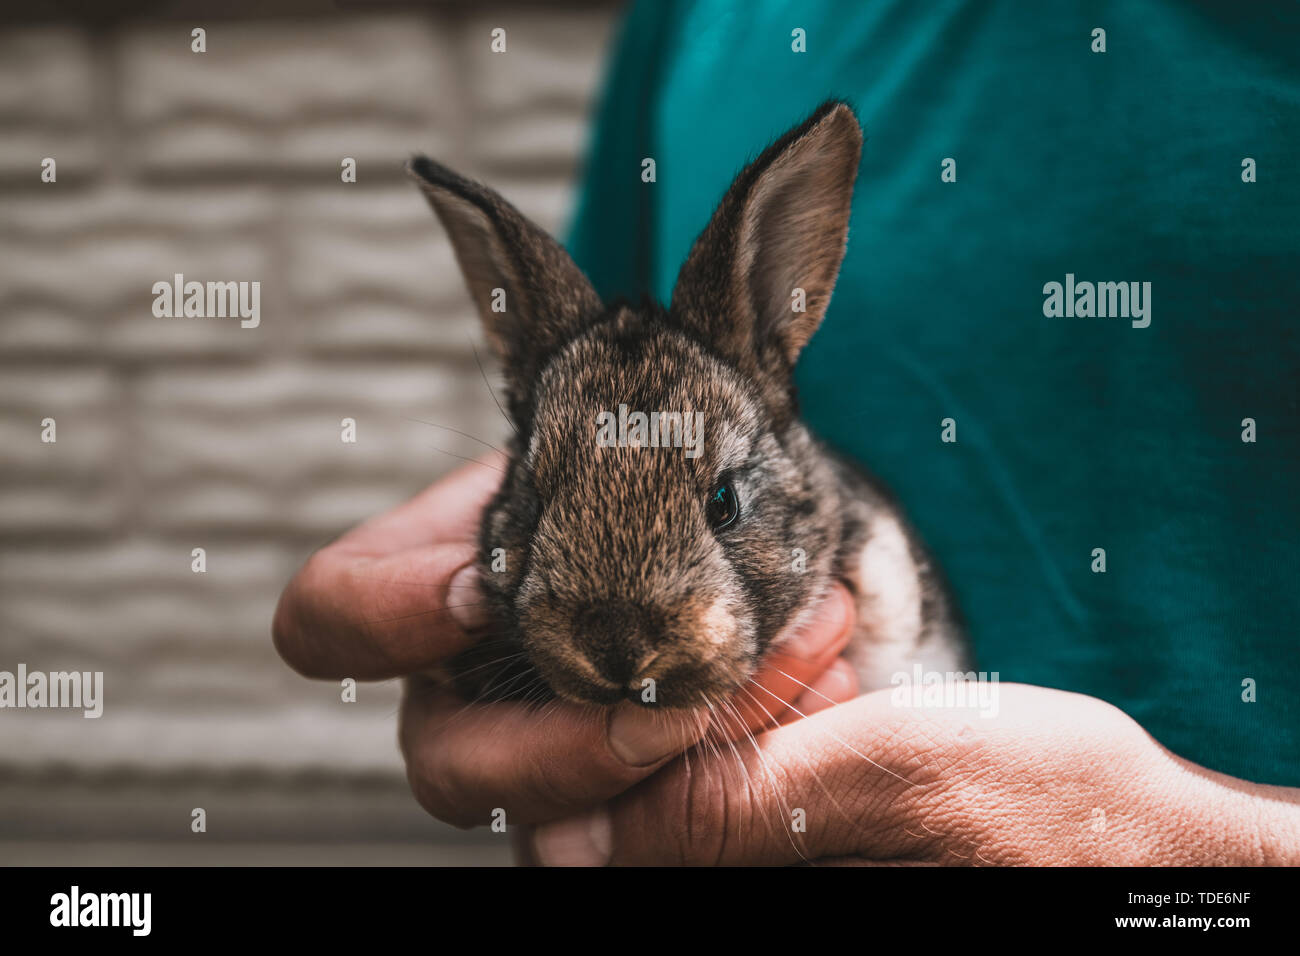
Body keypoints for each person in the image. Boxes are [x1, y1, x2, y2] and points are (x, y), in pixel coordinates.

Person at [274, 0, 1300, 864]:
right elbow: (616, 384)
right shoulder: (697, 19)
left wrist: (1189, 866)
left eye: (720, 504)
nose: (628, 635)